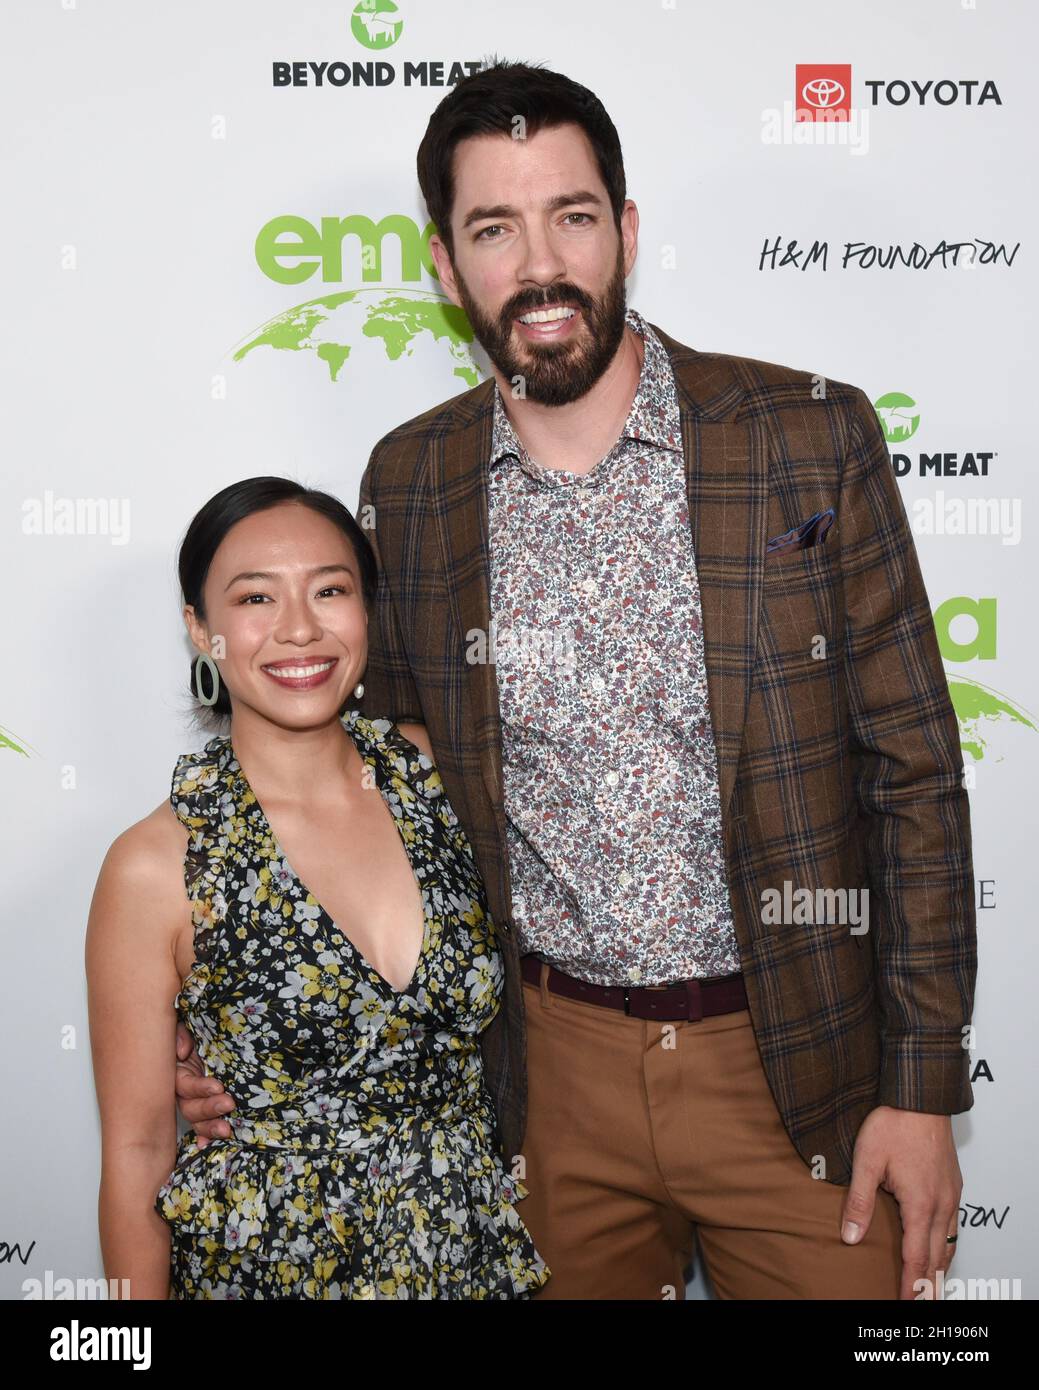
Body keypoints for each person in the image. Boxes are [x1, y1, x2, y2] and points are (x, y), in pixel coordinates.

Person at [176, 61, 977, 1301]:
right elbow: (364, 785)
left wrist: (923, 1090)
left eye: (572, 215)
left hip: (801, 1068)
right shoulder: (414, 479)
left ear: (627, 231)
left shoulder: (804, 437)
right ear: (446, 265)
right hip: (543, 1083)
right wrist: (232, 1015)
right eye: (495, 228)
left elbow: (915, 772)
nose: (538, 263)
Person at [85, 476, 550, 1299]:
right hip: (269, 1274)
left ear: (367, 609)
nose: (299, 629)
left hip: (468, 1261)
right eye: (255, 598)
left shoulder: (442, 779)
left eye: (329, 590)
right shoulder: (157, 864)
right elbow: (135, 1157)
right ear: (201, 629)